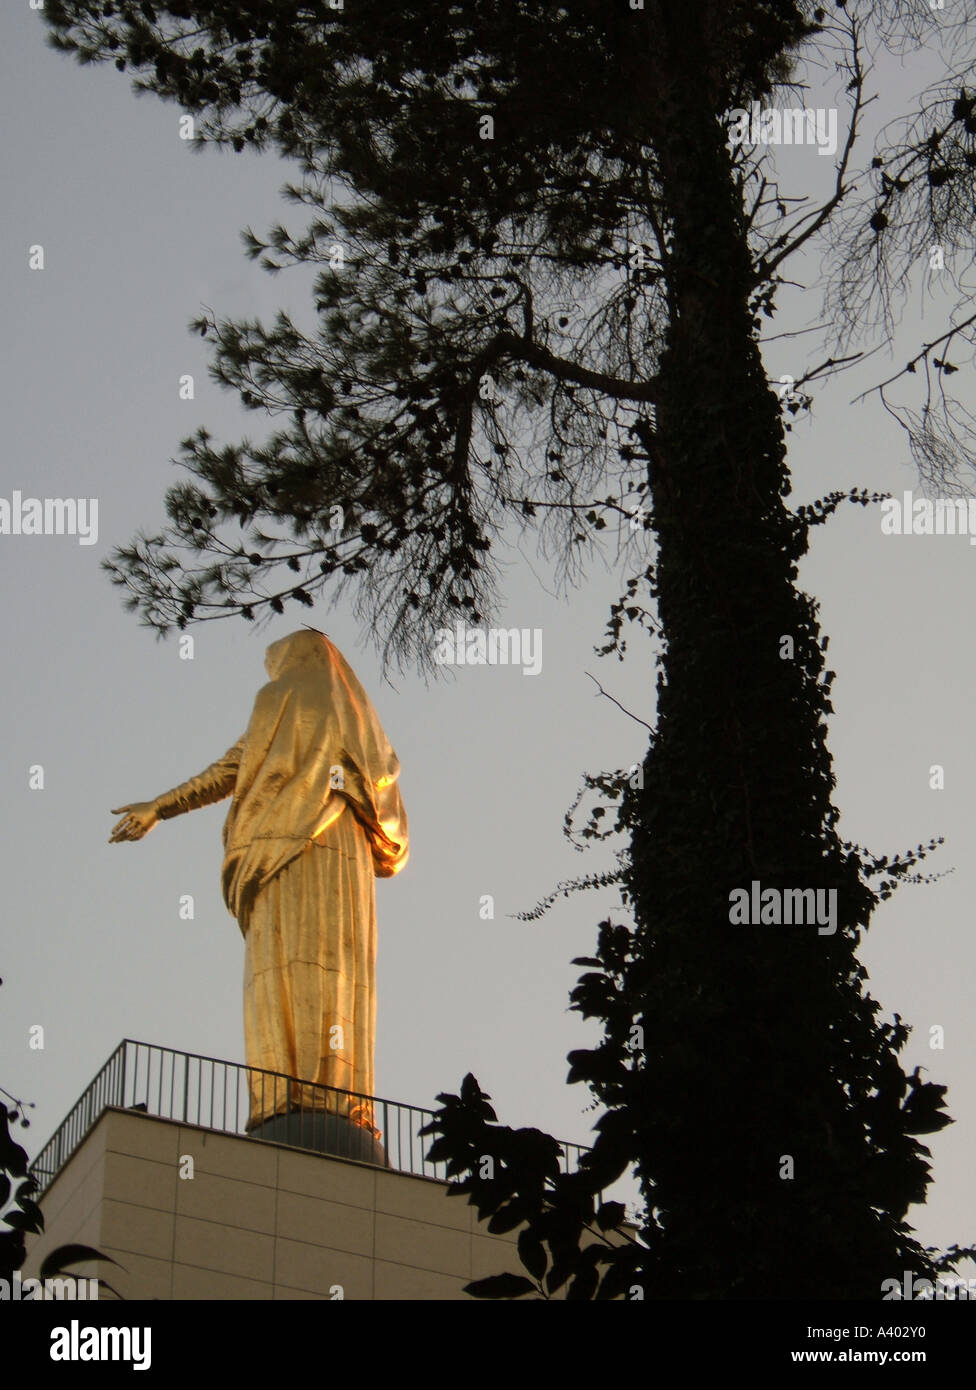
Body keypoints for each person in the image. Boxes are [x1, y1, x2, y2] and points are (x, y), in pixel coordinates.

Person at [109, 629, 409, 1136]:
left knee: (283, 968)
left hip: (284, 849)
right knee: (339, 970)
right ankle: (341, 1101)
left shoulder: (280, 697)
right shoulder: (366, 729)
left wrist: (158, 807)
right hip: (348, 856)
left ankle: (286, 1096)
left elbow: (229, 769)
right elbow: (386, 816)